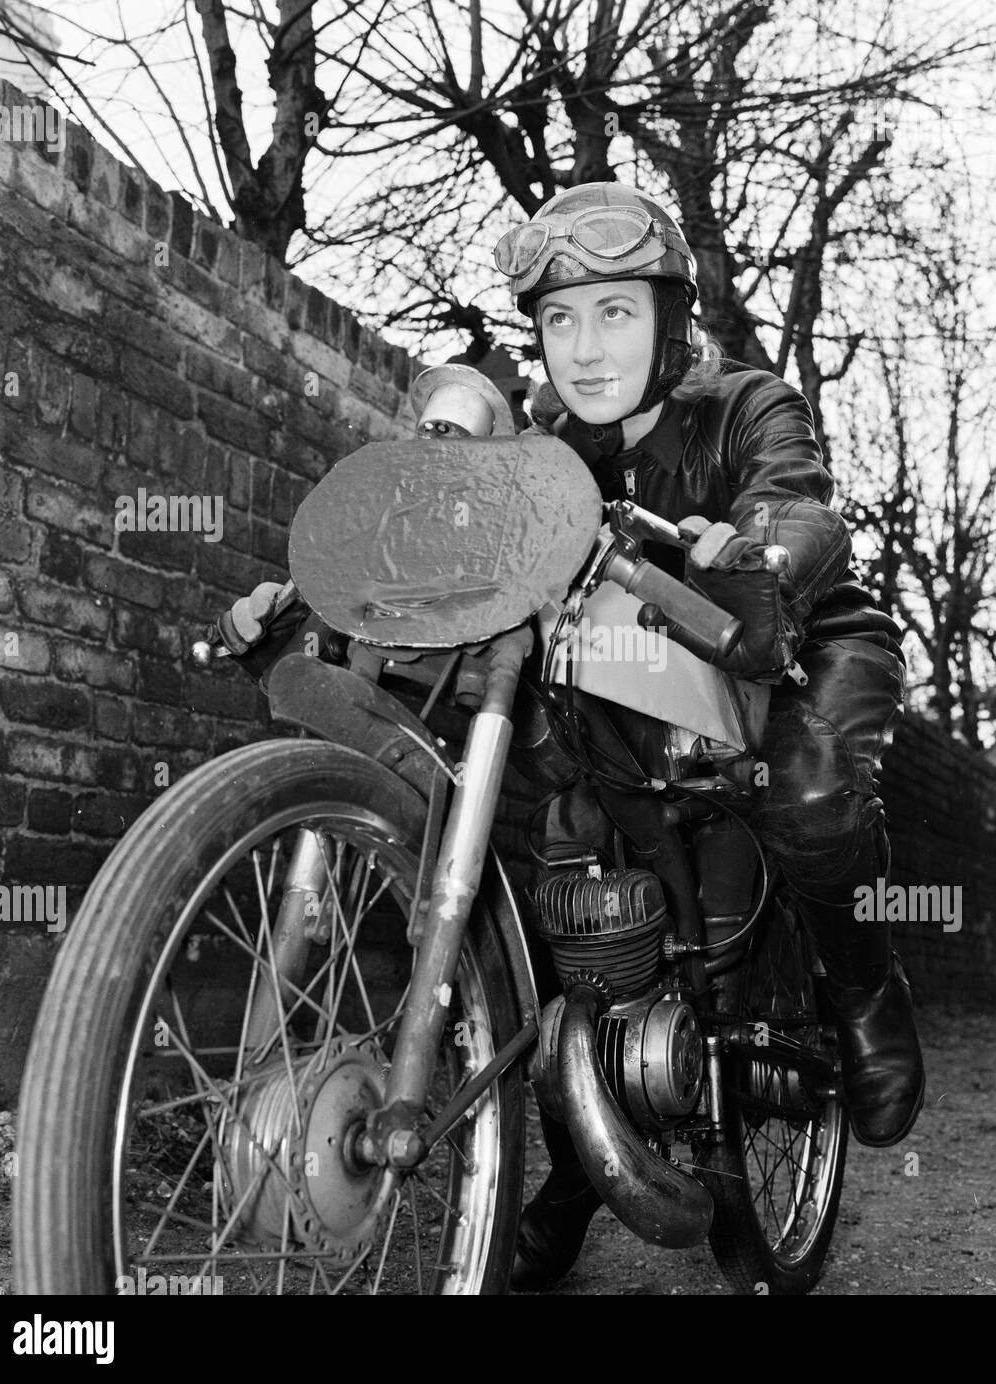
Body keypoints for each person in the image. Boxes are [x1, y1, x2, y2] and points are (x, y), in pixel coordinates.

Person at [222, 180, 924, 1293]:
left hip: (792, 638)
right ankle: (576, 1144)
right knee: (563, 857)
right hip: (618, 665)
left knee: (810, 796)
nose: (585, 348)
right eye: (559, 320)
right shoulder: (543, 448)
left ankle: (862, 990)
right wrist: (319, 604)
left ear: (668, 320)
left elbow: (799, 502)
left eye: (614, 313)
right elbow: (436, 540)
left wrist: (757, 556)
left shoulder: (749, 403)